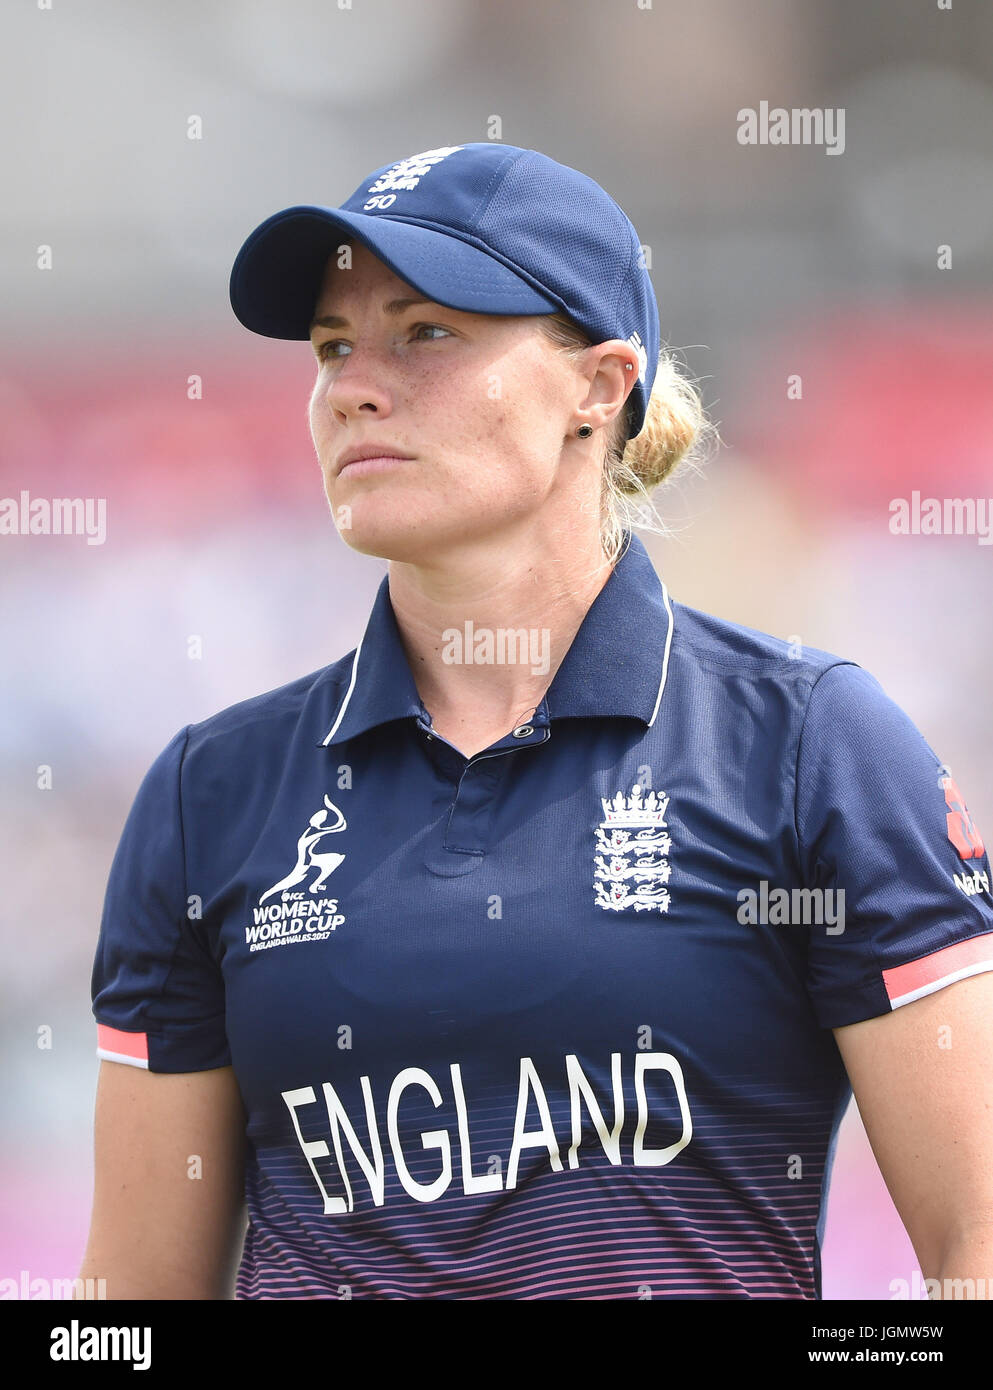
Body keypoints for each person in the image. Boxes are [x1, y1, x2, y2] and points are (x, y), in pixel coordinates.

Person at [79, 143, 993, 1301]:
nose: (354, 384)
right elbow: (124, 1312)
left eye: (424, 334)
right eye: (331, 348)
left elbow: (979, 1249)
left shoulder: (812, 745)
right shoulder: (208, 792)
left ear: (599, 386)